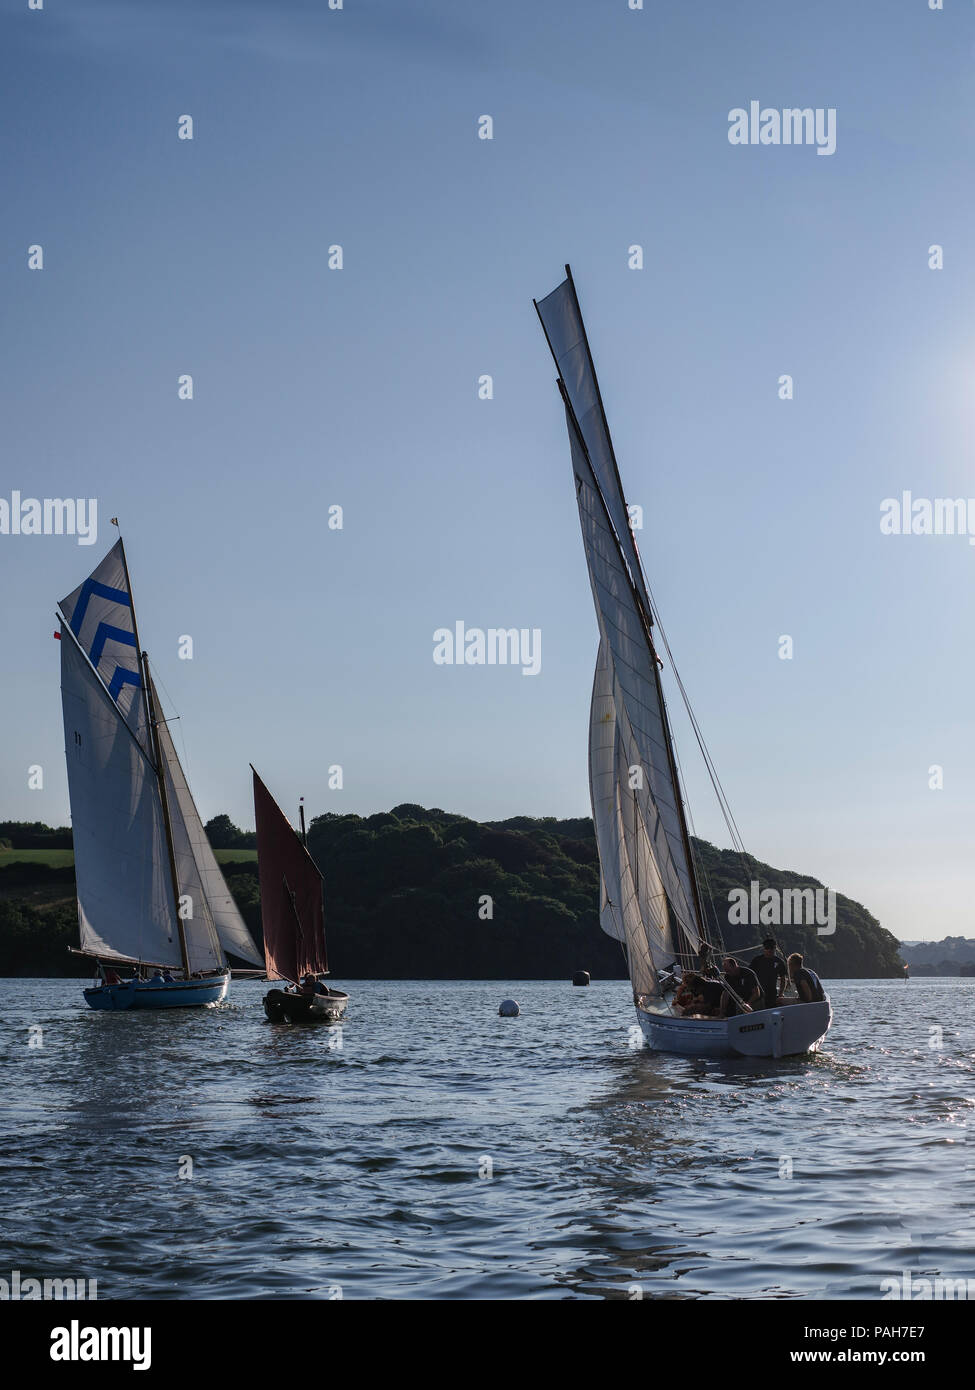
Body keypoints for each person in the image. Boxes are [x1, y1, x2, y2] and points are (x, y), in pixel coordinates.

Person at [750, 937, 788, 1010]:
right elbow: (750, 975)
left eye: (772, 948)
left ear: (775, 948)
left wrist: (780, 994)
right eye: (768, 948)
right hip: (759, 994)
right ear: (764, 948)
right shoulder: (757, 960)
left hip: (772, 994)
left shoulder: (779, 962)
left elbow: (783, 979)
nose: (770, 950)